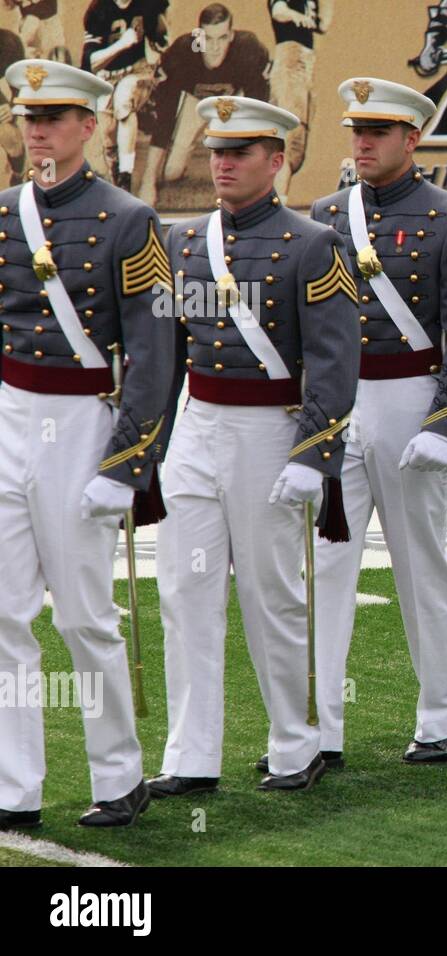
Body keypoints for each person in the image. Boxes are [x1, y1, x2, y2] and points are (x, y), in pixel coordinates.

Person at [146, 95, 359, 797]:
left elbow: (334, 361)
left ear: (276, 160)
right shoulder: (180, 243)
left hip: (272, 432)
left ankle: (297, 746)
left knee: (273, 596)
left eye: (240, 153)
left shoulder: (312, 244)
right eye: (217, 151)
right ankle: (190, 754)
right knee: (184, 591)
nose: (224, 163)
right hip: (199, 428)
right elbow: (166, 357)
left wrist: (313, 455)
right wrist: (146, 451)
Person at [0, 59, 172, 829]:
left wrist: (126, 463)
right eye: (28, 114)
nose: (37, 127)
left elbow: (155, 354)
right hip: (8, 417)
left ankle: (118, 776)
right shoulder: (5, 213)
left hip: (80, 425)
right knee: (2, 615)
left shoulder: (131, 220)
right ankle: (13, 788)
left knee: (83, 618)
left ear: (91, 125)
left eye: (55, 115)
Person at [309, 78, 447, 766]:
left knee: (422, 567)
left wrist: (446, 422)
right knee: (323, 568)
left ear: (412, 138)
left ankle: (440, 718)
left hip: (412, 401)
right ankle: (317, 732)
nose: (362, 142)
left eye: (377, 132)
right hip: (338, 408)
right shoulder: (327, 212)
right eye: (356, 130)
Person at [135, 3, 270, 207]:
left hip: (233, 101)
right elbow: (165, 117)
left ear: (232, 35)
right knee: (171, 173)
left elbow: (258, 110)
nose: (215, 47)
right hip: (195, 102)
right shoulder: (183, 52)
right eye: (208, 38)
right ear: (199, 36)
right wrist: (148, 181)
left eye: (222, 38)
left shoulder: (248, 49)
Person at [80, 0, 169, 191]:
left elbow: (161, 41)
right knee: (106, 129)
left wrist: (157, 45)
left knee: (124, 101)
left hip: (137, 70)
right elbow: (91, 62)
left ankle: (125, 175)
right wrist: (122, 44)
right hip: (107, 75)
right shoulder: (98, 9)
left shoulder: (148, 5)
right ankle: (116, 167)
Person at [268, 0, 332, 203]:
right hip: (291, 60)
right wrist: (297, 16)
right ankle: (276, 211)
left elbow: (324, 24)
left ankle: (273, 205)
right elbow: (278, 11)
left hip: (303, 64)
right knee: (289, 145)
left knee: (295, 151)